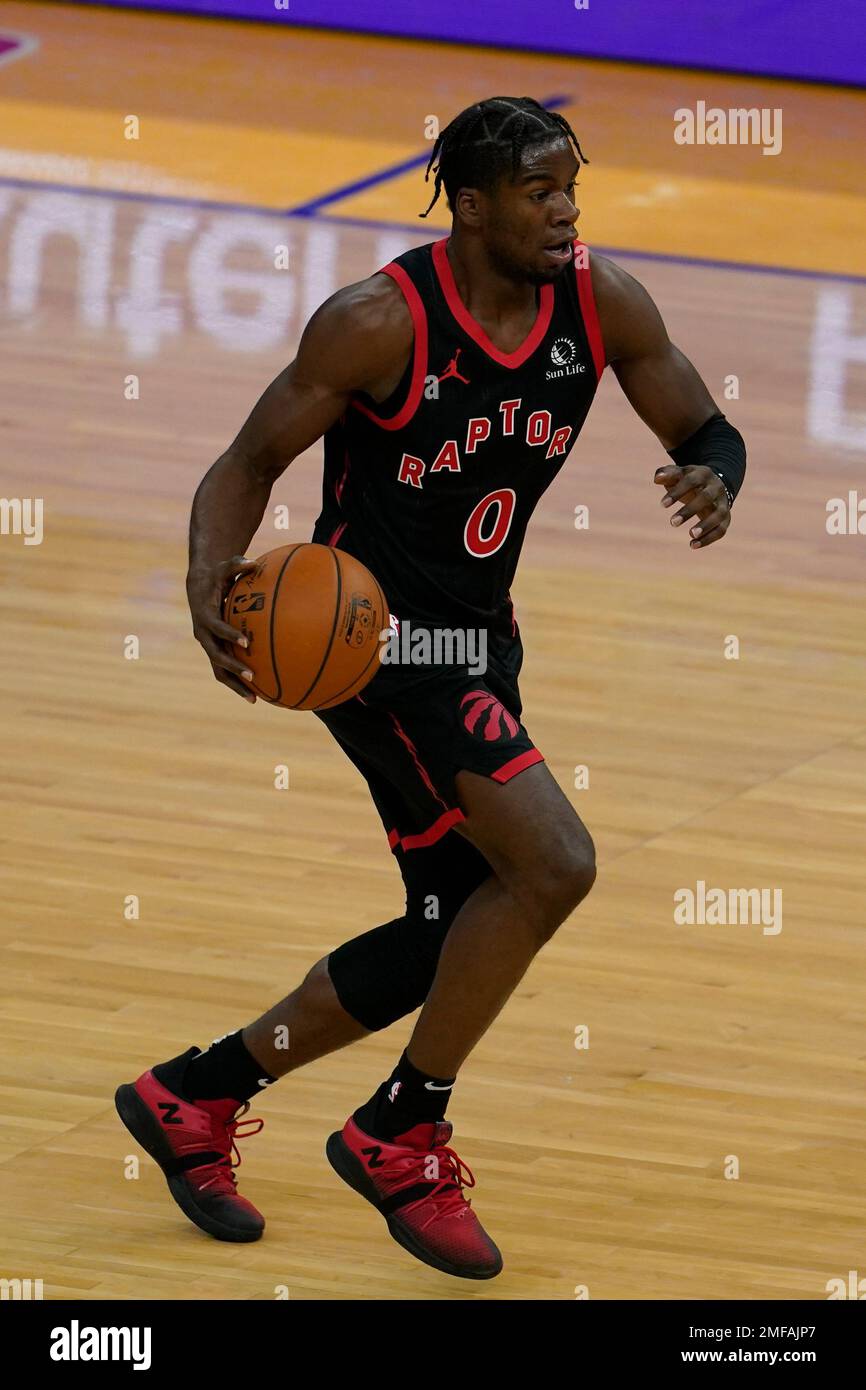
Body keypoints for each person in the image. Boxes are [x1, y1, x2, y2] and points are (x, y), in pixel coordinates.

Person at [115, 96, 746, 1280]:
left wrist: (714, 478)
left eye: (571, 188)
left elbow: (704, 424)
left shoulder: (600, 301)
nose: (564, 211)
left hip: (479, 640)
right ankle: (402, 1127)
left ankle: (192, 1094)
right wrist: (206, 581)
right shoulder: (376, 323)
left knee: (444, 927)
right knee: (553, 862)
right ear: (468, 206)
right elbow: (247, 462)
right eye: (537, 192)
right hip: (375, 649)